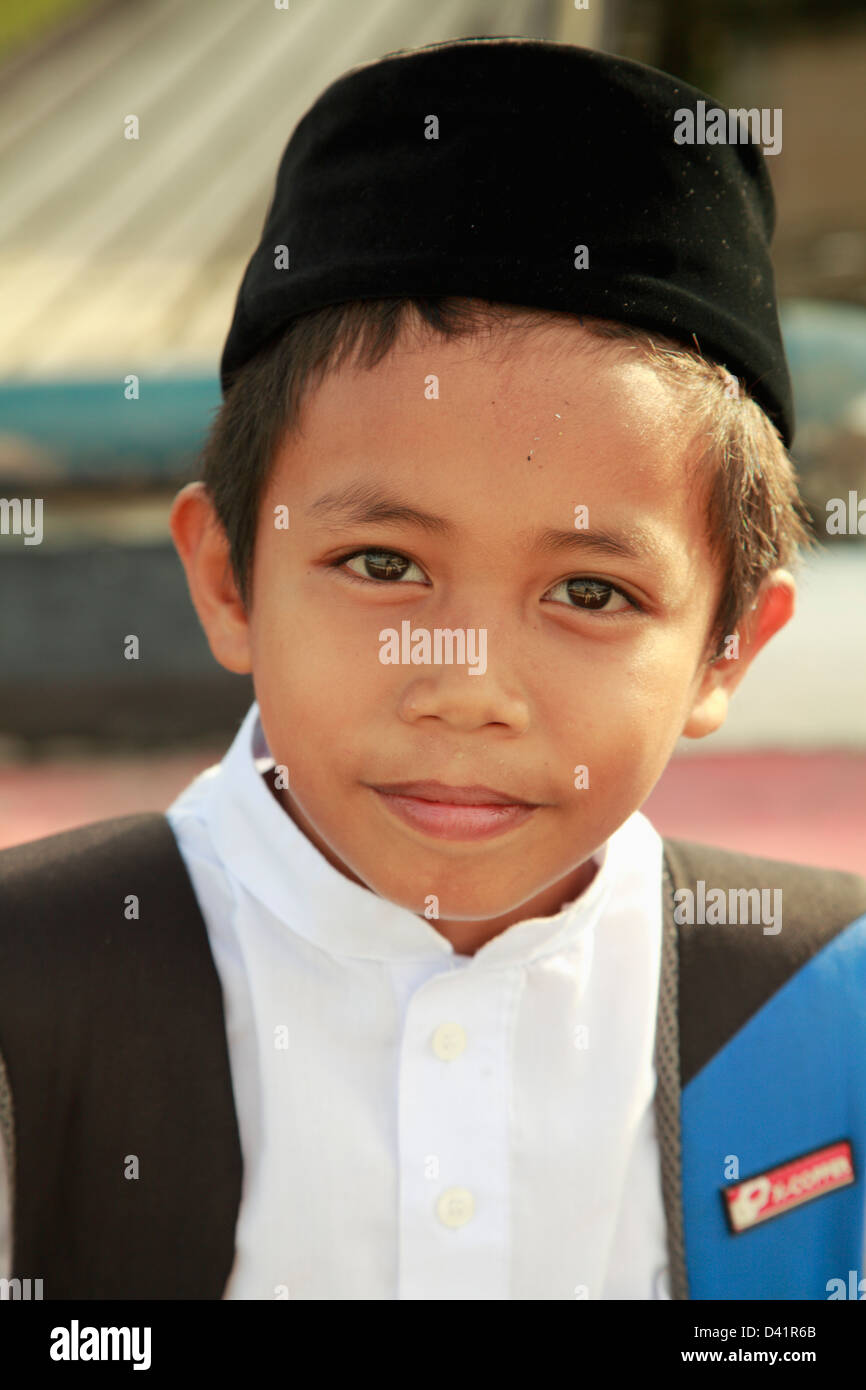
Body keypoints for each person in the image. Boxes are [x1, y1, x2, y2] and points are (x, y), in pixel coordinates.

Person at [1, 36, 865, 1302]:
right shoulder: (29, 996)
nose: (465, 684)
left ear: (723, 650)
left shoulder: (823, 1014)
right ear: (230, 577)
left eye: (588, 593)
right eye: (382, 565)